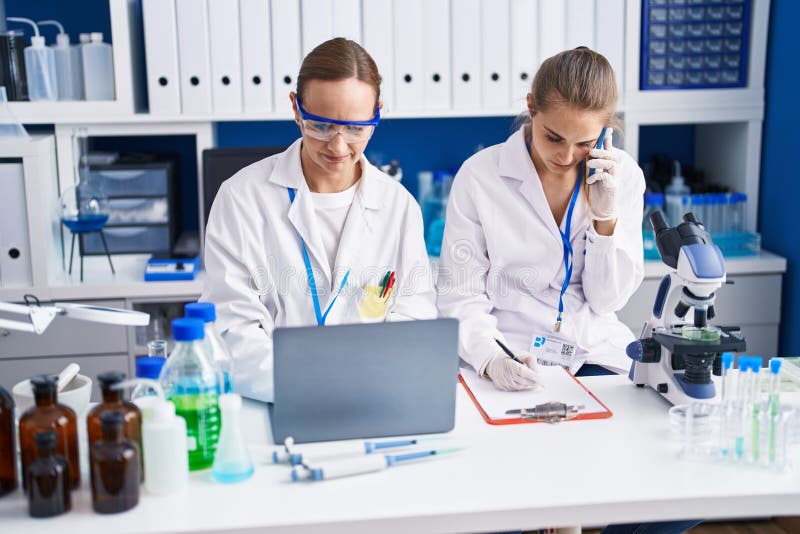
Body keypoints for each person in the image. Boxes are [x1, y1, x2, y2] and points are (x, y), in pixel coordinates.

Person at [437, 47, 701, 534]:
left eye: (584, 142)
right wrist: (492, 358)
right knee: (501, 503)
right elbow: (460, 295)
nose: (565, 156)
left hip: (592, 347)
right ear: (531, 106)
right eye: (553, 136)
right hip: (511, 354)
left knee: (687, 479)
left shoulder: (621, 173)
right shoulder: (480, 177)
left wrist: (605, 220)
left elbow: (609, 299)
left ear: (606, 128)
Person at [201, 38, 437, 403]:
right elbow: (232, 330)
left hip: (371, 400)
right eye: (322, 126)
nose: (338, 147)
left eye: (356, 128)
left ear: (378, 113)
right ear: (296, 108)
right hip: (275, 398)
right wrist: (311, 387)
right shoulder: (242, 199)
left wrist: (364, 385)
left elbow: (414, 319)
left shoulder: (399, 207)